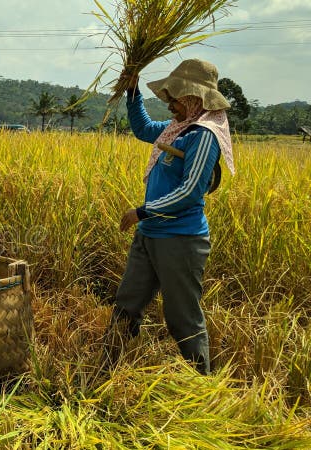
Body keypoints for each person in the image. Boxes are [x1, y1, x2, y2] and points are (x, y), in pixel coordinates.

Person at [104, 59, 235, 375]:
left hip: (180, 239)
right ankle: (111, 368)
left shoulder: (203, 135)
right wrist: (133, 92)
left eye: (176, 98)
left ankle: (199, 383)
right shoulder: (176, 129)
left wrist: (142, 212)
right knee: (127, 304)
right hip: (150, 235)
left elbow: (190, 191)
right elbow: (143, 129)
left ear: (195, 98)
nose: (171, 104)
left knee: (182, 317)